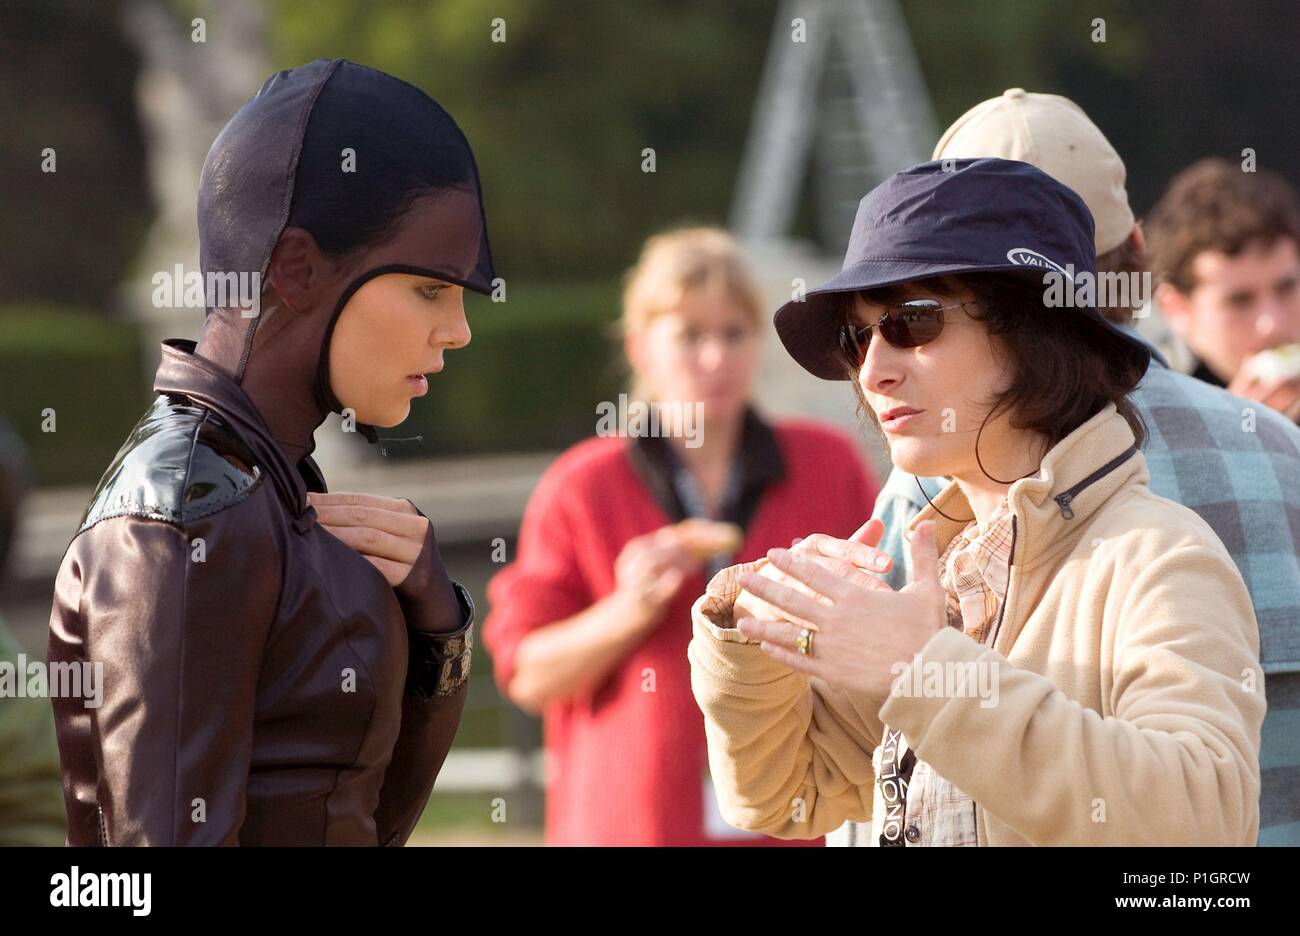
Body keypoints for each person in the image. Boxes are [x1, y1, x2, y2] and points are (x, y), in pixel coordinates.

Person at [689, 158, 1265, 846]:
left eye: (912, 321)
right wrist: (755, 634)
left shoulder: (1159, 554)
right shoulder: (937, 573)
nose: (874, 368)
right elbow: (780, 800)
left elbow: (1202, 819)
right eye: (857, 335)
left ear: (1031, 330)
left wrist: (924, 672)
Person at [47, 59, 494, 845]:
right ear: (297, 268)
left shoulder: (266, 484)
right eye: (431, 289)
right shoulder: (187, 511)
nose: (457, 329)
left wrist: (436, 630)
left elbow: (356, 818)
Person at [855, 89, 1300, 846]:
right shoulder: (1281, 448)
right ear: (1134, 247)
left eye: (918, 312)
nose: (876, 365)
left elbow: (886, 771)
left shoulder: (933, 482)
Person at [482, 227, 880, 845]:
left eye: (733, 333)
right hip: (630, 827)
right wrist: (626, 610)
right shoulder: (581, 485)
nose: (716, 357)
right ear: (641, 348)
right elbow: (527, 676)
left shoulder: (829, 462)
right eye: (690, 336)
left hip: (800, 819)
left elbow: (880, 628)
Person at [1147, 157, 1300, 422]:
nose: (1271, 324)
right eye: (1239, 301)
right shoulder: (1148, 418)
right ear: (1177, 308)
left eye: (1286, 288)